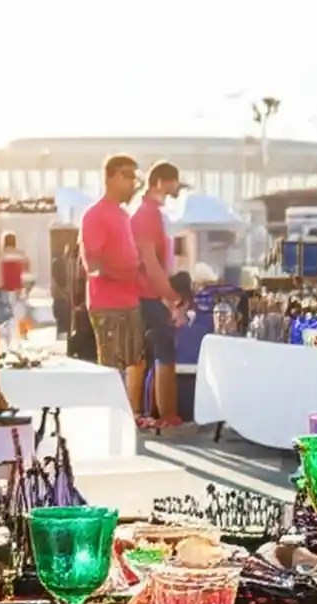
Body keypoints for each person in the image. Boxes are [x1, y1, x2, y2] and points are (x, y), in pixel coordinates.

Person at [130, 161, 190, 429]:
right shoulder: (146, 215)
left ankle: (145, 413)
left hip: (147, 293)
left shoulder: (150, 212)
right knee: (162, 354)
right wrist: (169, 294)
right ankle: (165, 415)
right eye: (173, 181)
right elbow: (150, 262)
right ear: (160, 182)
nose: (176, 187)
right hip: (147, 294)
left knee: (145, 356)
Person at [79, 155, 144, 394]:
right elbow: (92, 264)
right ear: (109, 177)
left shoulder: (124, 215)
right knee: (111, 371)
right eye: (126, 175)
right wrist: (128, 274)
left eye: (134, 176)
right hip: (108, 306)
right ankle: (110, 422)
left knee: (133, 366)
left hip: (130, 303)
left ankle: (128, 418)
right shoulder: (94, 215)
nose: (132, 182)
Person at [0, 232, 31, 350]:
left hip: (4, 288)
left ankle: (6, 338)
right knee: (21, 313)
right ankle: (22, 334)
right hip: (18, 288)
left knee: (6, 314)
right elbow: (27, 273)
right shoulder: (21, 255)